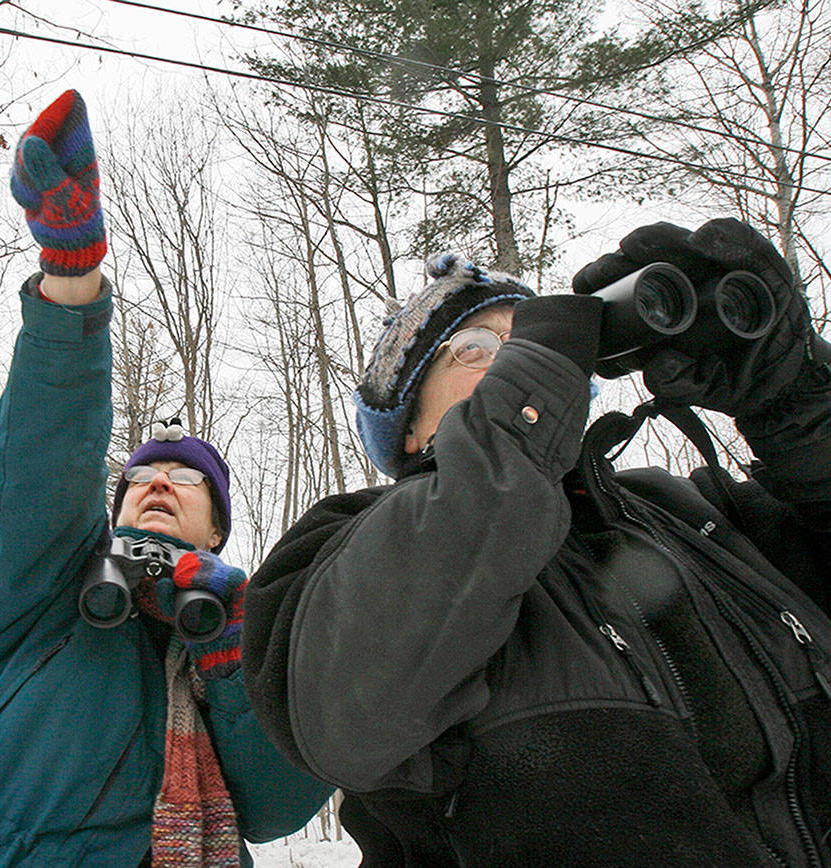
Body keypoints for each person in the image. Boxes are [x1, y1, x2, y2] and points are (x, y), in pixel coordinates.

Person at [241, 221, 831, 866]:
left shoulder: (690, 510)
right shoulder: (342, 543)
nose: (512, 361)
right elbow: (344, 722)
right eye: (473, 349)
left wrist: (799, 402)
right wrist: (522, 409)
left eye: (527, 341)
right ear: (406, 428)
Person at [0, 89, 331, 867]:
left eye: (183, 479)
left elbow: (277, 809)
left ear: (218, 527)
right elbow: (41, 463)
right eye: (141, 474)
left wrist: (229, 652)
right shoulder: (51, 582)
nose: (157, 481)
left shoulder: (255, 622)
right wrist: (72, 274)